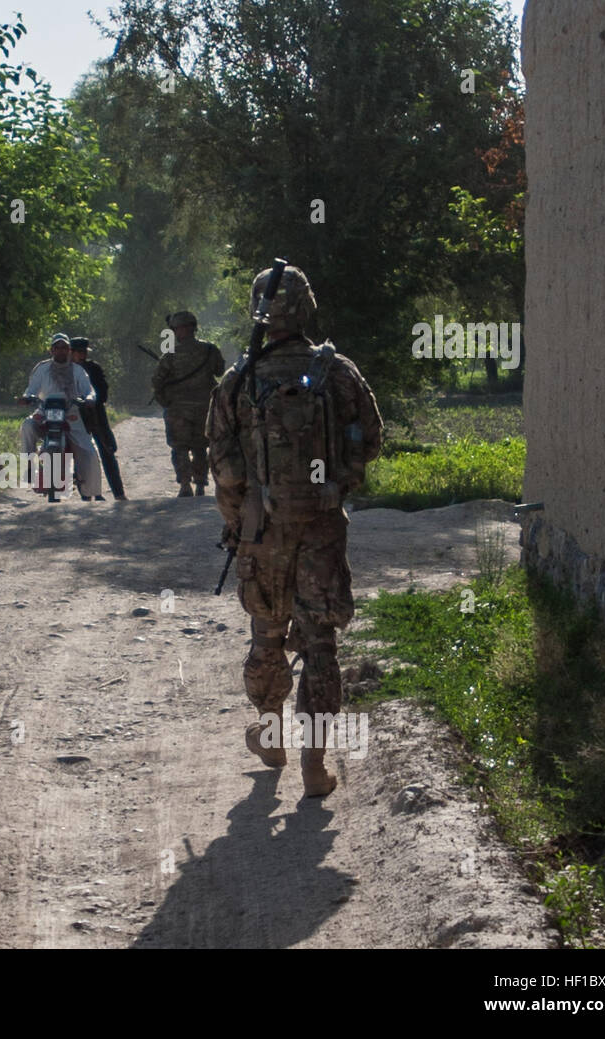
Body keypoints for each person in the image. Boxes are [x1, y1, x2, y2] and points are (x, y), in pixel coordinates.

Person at [207, 265, 383, 797]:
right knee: (321, 643)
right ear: (305, 307)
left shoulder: (238, 379)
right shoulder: (338, 372)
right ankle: (315, 762)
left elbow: (224, 464)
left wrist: (239, 524)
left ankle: (270, 735)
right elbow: (370, 440)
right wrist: (337, 483)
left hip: (264, 533)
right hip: (322, 529)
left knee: (266, 635)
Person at [20, 334, 104, 501]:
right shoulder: (42, 369)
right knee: (27, 426)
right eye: (57, 347)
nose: (61, 351)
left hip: (71, 413)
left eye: (64, 347)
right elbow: (31, 389)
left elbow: (89, 390)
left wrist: (88, 399)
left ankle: (91, 490)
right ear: (51, 350)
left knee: (89, 451)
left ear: (69, 350)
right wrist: (27, 397)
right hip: (45, 411)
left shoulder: (77, 370)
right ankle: (28, 466)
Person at [152, 310, 225, 496]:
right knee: (201, 446)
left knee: (180, 447)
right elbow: (219, 370)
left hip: (178, 409)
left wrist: (166, 402)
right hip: (205, 407)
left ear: (179, 329)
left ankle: (185, 484)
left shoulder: (170, 355)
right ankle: (200, 483)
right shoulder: (210, 350)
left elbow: (157, 381)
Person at [69, 337, 126, 500]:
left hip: (96, 416)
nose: (82, 355)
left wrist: (91, 401)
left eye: (84, 352)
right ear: (71, 353)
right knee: (82, 456)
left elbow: (103, 393)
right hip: (76, 418)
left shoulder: (94, 368)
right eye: (79, 352)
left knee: (108, 452)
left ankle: (119, 493)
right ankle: (88, 494)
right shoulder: (66, 370)